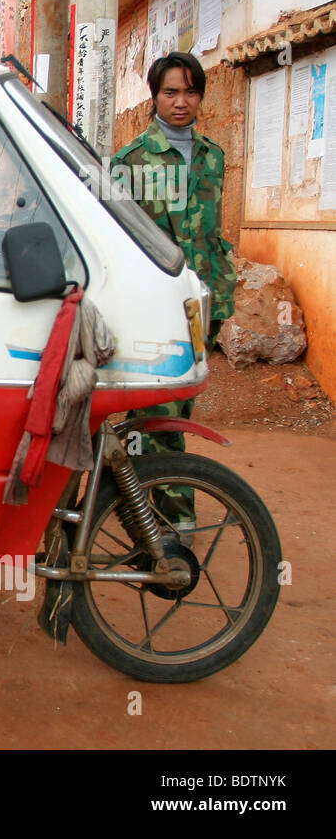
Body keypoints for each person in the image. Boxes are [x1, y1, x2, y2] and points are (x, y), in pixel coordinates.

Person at [110, 51, 235, 527]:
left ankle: (151, 509)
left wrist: (221, 296)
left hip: (203, 305)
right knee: (159, 416)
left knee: (182, 406)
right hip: (158, 307)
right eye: (170, 92)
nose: (181, 102)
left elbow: (213, 233)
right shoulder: (130, 161)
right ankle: (172, 516)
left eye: (190, 91)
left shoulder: (213, 157)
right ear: (154, 96)